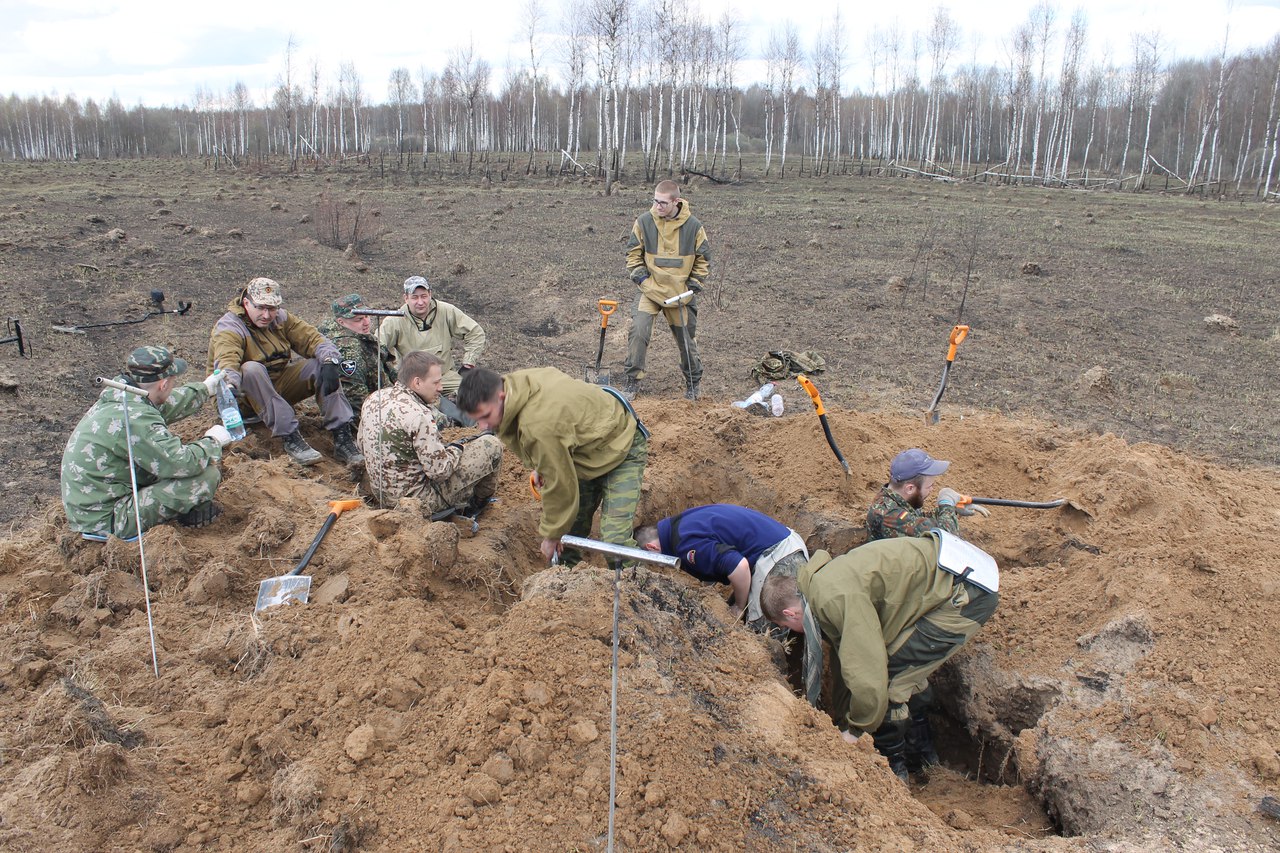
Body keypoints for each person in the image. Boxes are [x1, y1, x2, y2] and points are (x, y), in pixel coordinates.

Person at [759, 533, 999, 783]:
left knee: (890, 680)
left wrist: (855, 731)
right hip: (952, 571)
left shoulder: (833, 599)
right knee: (904, 669)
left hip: (966, 592)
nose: (793, 632)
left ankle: (893, 775)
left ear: (791, 613)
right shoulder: (820, 582)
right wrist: (842, 720)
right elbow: (845, 660)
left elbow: (870, 675)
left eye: (785, 625)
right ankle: (922, 758)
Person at [457, 366, 648, 564]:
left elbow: (560, 485)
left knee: (615, 542)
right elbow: (555, 436)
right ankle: (564, 578)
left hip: (621, 444)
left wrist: (551, 535)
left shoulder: (538, 425)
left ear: (501, 397)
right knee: (567, 536)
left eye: (485, 416)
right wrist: (542, 462)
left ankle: (635, 581)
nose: (483, 426)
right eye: (477, 420)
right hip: (585, 447)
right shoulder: (515, 385)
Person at [61, 345, 235, 538]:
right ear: (163, 384)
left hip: (91, 508)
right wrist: (213, 440)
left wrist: (205, 389)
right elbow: (184, 463)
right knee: (205, 476)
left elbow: (165, 404)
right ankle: (188, 518)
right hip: (109, 520)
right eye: (172, 382)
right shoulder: (137, 418)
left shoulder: (123, 396)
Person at [208, 276, 363, 467]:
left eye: (272, 308)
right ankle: (291, 438)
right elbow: (227, 360)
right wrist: (230, 384)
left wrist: (331, 361)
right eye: (261, 308)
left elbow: (313, 338)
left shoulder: (281, 318)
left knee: (320, 365)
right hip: (240, 398)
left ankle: (343, 438)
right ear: (246, 303)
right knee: (251, 369)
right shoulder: (229, 327)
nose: (266, 315)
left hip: (275, 386)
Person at [357, 351, 502, 516]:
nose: (441, 388)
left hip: (382, 494)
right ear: (417, 382)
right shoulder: (419, 415)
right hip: (417, 503)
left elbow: (362, 445)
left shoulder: (374, 398)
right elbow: (440, 472)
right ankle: (474, 507)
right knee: (491, 445)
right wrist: (456, 449)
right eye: (436, 382)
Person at [634, 504, 807, 623]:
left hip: (779, 556)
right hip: (780, 545)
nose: (658, 566)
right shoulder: (679, 525)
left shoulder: (686, 544)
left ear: (651, 547)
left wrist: (739, 607)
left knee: (762, 627)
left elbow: (740, 567)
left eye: (652, 560)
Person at [621, 180, 711, 400]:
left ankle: (693, 384)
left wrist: (693, 286)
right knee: (638, 331)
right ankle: (632, 382)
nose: (657, 206)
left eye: (662, 203)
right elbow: (633, 255)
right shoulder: (644, 221)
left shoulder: (694, 226)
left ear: (676, 201)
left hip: (680, 295)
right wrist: (642, 279)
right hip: (650, 290)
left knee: (686, 340)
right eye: (655, 201)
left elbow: (703, 259)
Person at [378, 275, 485, 399]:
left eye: (424, 296)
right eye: (415, 297)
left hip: (444, 377)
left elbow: (475, 332)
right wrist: (388, 376)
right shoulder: (394, 320)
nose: (420, 302)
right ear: (406, 298)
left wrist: (468, 363)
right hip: (413, 383)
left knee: (479, 393)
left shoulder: (446, 311)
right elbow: (377, 348)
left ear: (430, 294)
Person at [865, 448, 986, 541]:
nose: (932, 489)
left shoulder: (896, 500)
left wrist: (952, 509)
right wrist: (946, 504)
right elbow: (946, 539)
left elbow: (920, 521)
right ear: (910, 488)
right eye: (929, 486)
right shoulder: (888, 514)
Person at [317, 293, 397, 430]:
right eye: (359, 319)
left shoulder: (358, 333)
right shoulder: (348, 349)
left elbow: (387, 368)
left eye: (367, 316)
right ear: (341, 322)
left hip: (383, 400)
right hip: (372, 417)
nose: (366, 322)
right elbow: (355, 396)